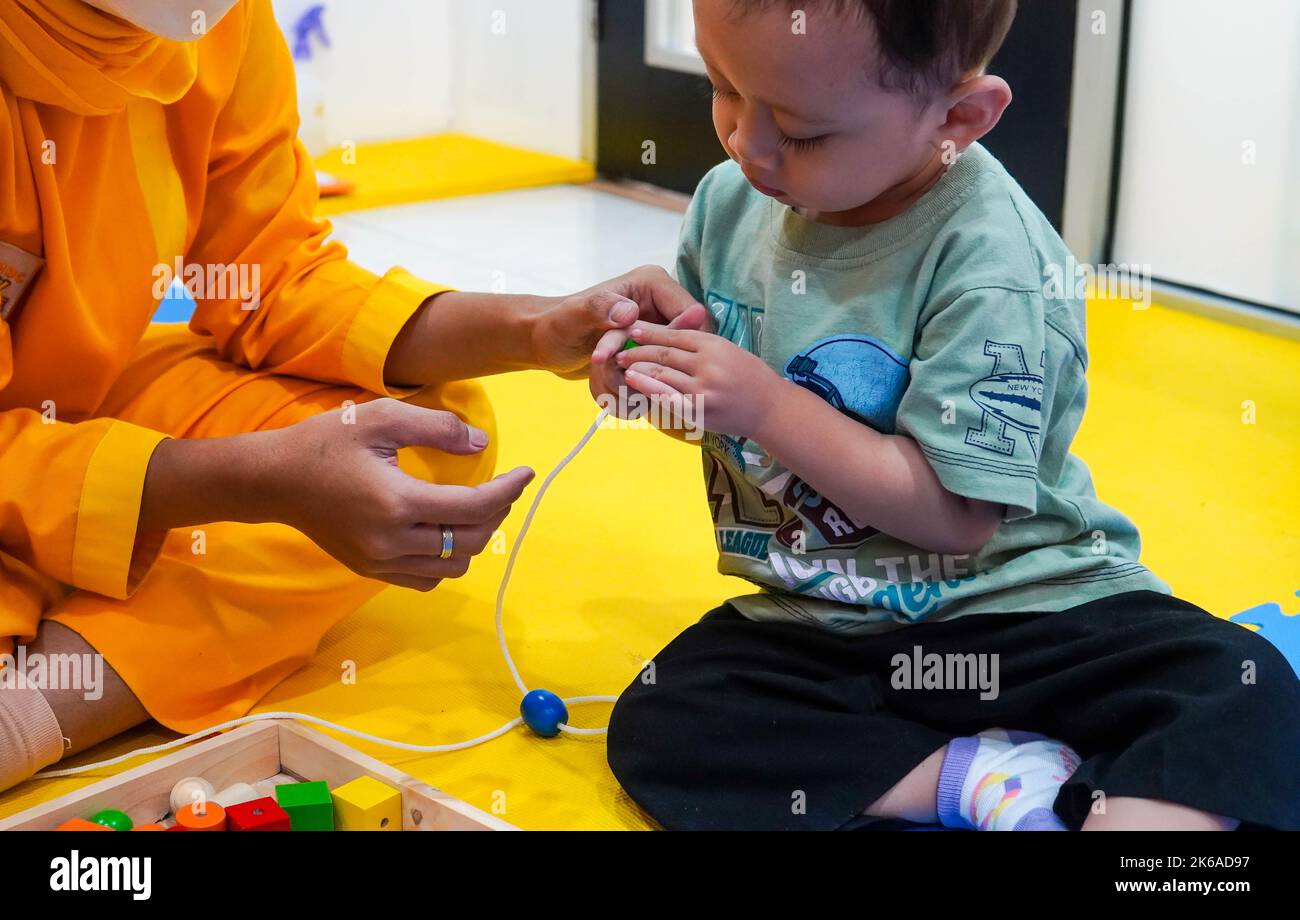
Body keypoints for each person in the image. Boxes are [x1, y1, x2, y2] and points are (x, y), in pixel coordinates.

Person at [593, 0, 1300, 830]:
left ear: (958, 119)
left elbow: (958, 518)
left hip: (1020, 611)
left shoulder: (991, 261)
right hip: (825, 627)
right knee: (669, 711)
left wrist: (767, 403)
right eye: (724, 89)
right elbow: (725, 425)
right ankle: (985, 780)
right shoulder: (728, 203)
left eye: (803, 132)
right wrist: (653, 384)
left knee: (1236, 689)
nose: (748, 143)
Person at [0, 0, 707, 791]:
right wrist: (261, 480)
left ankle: (38, 680)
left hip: (77, 409)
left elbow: (270, 274)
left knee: (428, 435)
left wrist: (534, 328)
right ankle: (46, 687)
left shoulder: (217, 23)